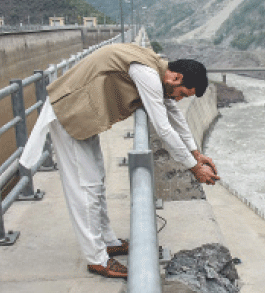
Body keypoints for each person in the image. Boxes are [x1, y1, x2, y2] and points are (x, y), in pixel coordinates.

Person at [19, 43, 220, 279]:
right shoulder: (147, 74)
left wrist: (196, 153)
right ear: (176, 77)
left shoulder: (157, 71)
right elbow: (164, 129)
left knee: (96, 180)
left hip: (83, 116)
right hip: (69, 113)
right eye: (183, 94)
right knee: (85, 187)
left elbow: (173, 114)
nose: (179, 100)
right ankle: (97, 259)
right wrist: (194, 168)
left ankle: (107, 241)